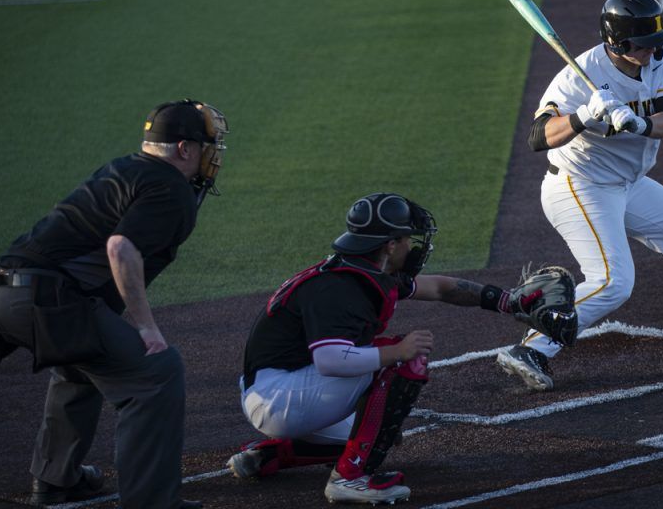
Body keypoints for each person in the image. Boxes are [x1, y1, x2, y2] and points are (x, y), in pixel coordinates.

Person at [496, 0, 663, 392]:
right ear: (616, 42)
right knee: (612, 281)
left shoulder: (659, 61)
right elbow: (538, 136)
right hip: (579, 186)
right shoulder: (577, 76)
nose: (652, 51)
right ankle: (534, 347)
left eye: (656, 42)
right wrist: (583, 116)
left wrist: (638, 123)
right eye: (643, 44)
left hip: (628, 183)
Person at [227, 192, 571, 505]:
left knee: (381, 435)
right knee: (404, 359)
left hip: (283, 390)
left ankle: (271, 455)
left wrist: (507, 301)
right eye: (408, 238)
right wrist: (397, 352)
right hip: (280, 397)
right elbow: (330, 360)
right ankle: (350, 479)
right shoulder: (341, 289)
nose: (414, 245)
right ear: (390, 245)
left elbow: (441, 289)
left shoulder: (361, 270)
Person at [0, 100, 228, 508]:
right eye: (206, 146)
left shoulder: (125, 168)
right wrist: (146, 326)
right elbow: (120, 247)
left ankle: (56, 479)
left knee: (83, 363)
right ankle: (152, 502)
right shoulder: (170, 188)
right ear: (184, 149)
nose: (211, 156)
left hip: (5, 294)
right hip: (46, 300)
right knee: (158, 372)